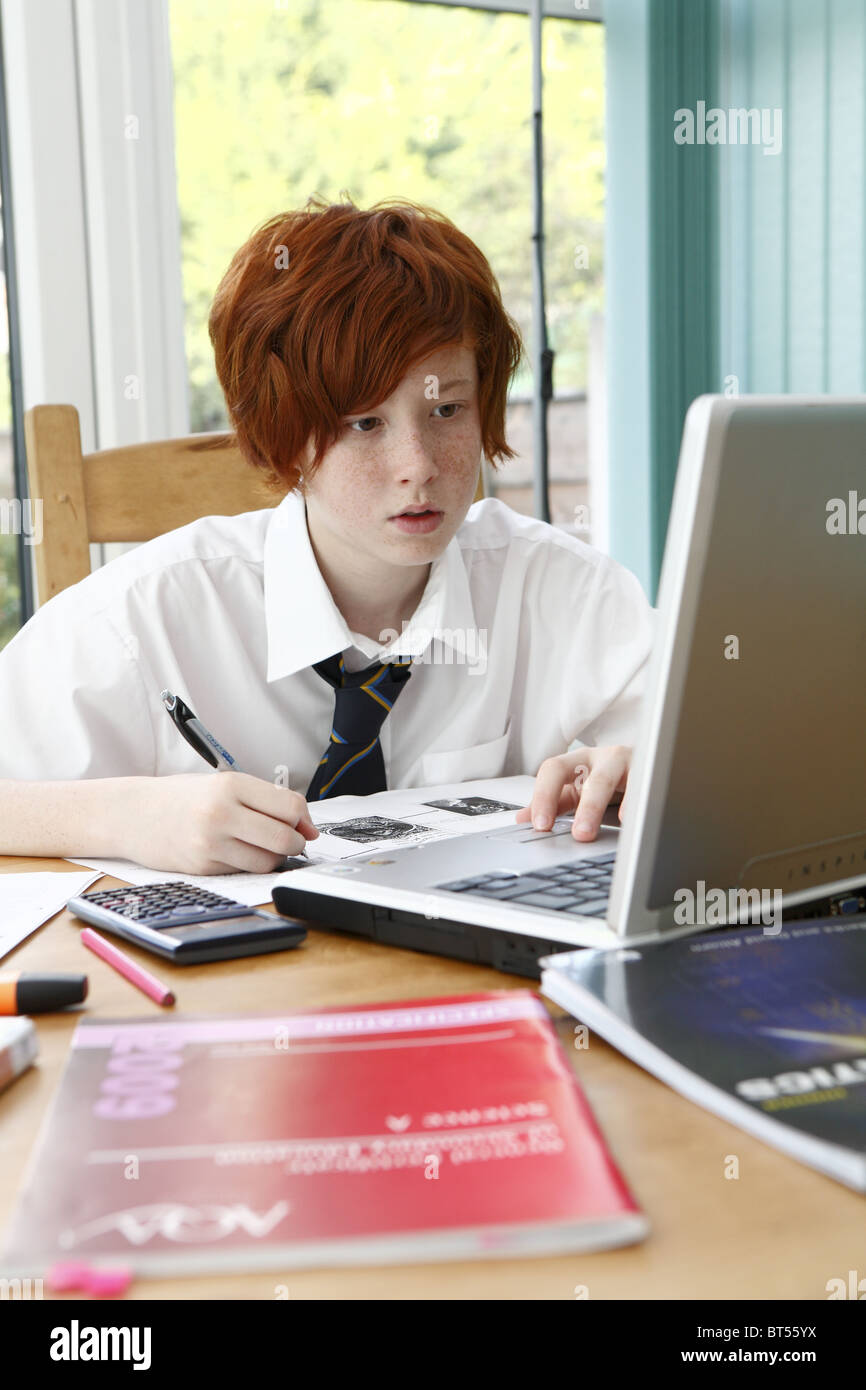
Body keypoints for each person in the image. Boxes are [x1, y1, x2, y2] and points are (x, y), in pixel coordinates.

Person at [0, 195, 654, 875]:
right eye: (363, 423)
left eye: (447, 409)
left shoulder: (556, 589)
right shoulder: (144, 618)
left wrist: (649, 772)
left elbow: (737, 753)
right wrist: (127, 815)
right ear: (281, 438)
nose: (419, 467)